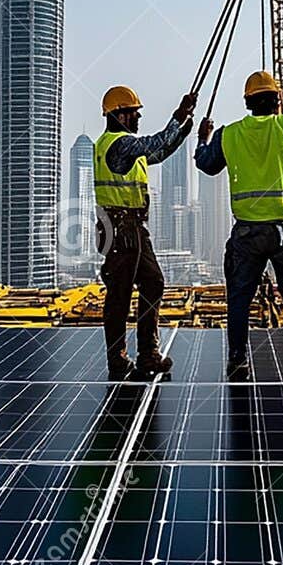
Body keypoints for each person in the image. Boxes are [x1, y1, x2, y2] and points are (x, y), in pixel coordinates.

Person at [195, 66, 283, 378]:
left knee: (239, 297)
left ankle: (237, 359)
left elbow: (206, 165)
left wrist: (202, 140)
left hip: (247, 232)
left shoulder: (228, 134)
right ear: (277, 100)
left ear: (248, 103)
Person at [95, 85, 196, 380]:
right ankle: (118, 359)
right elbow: (153, 143)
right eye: (134, 113)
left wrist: (184, 130)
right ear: (121, 115)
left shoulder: (128, 149)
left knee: (153, 282)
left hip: (133, 227)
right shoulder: (118, 144)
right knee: (120, 295)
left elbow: (159, 152)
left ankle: (148, 354)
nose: (138, 118)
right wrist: (178, 115)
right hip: (120, 228)